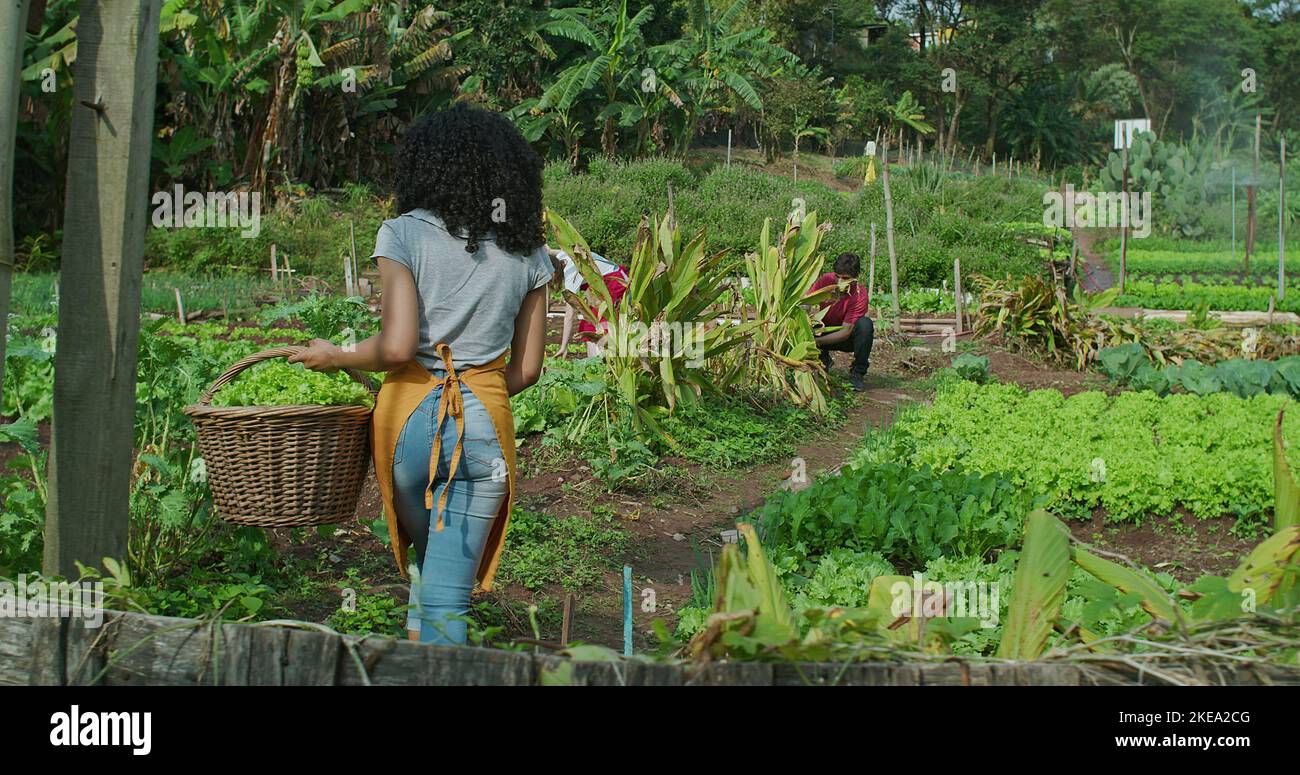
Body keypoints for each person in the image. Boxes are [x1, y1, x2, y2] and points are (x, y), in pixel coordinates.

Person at [288, 104, 552, 645]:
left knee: (431, 575)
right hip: (484, 422)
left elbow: (397, 346)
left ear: (427, 165)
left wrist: (336, 354)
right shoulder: (530, 252)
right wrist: (478, 393)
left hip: (406, 423)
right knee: (446, 600)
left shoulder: (403, 234)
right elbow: (526, 369)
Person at [548, 245, 628, 358]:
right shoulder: (562, 257)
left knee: (597, 327)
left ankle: (603, 364)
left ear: (554, 272)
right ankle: (596, 363)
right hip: (604, 285)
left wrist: (564, 346)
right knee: (589, 325)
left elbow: (569, 315)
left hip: (614, 283)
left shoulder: (571, 274)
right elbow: (549, 250)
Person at [809, 252, 873, 391]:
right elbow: (807, 300)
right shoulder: (826, 280)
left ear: (855, 278)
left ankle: (857, 372)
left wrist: (815, 342)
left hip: (846, 337)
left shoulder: (859, 294)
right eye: (838, 277)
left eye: (845, 278)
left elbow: (845, 332)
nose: (839, 282)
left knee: (865, 325)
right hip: (823, 329)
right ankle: (822, 359)